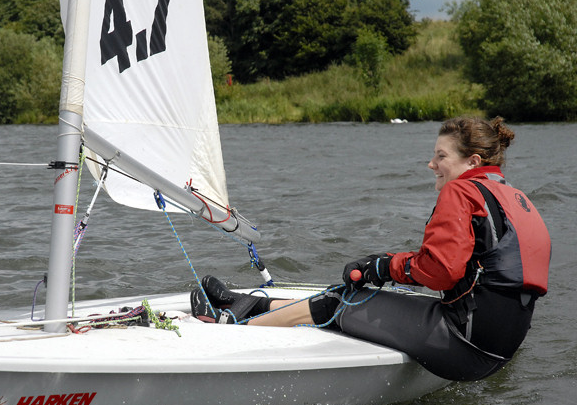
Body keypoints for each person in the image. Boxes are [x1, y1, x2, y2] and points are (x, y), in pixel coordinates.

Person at [191, 116, 551, 381]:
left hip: (463, 343)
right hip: (498, 347)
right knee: (344, 291)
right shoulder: (515, 198)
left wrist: (383, 267)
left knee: (343, 300)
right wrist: (388, 267)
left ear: (472, 162)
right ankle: (253, 304)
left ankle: (231, 326)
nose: (431, 164)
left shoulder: (461, 191)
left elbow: (441, 270)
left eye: (441, 156)